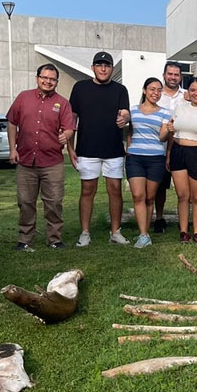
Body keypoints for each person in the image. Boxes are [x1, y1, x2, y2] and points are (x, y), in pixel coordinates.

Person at [6, 64, 76, 250]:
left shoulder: (62, 103)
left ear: (56, 82)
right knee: (26, 202)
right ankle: (25, 240)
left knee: (53, 202)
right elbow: (12, 123)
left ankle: (55, 239)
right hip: (26, 160)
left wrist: (67, 135)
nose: (48, 81)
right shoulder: (23, 98)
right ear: (37, 78)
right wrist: (12, 149)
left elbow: (69, 127)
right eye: (44, 77)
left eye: (52, 79)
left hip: (52, 162)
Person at [68, 51, 131, 246]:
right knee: (88, 190)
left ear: (112, 68)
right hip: (87, 149)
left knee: (115, 190)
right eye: (99, 65)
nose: (103, 68)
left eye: (107, 65)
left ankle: (115, 232)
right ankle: (85, 233)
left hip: (113, 149)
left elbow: (126, 113)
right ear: (93, 67)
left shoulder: (120, 90)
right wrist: (70, 148)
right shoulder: (80, 88)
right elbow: (71, 120)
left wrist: (125, 119)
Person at [162, 76, 197, 242]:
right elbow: (173, 133)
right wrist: (169, 153)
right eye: (192, 90)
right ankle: (183, 231)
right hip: (179, 152)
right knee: (182, 195)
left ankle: (196, 232)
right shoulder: (180, 108)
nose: (196, 93)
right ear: (188, 92)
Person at [125, 77, 173, 248]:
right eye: (152, 89)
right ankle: (143, 234)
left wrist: (168, 131)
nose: (156, 93)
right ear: (144, 90)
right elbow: (129, 132)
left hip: (155, 159)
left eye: (159, 90)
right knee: (138, 195)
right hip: (135, 158)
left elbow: (162, 137)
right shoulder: (133, 111)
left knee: (150, 198)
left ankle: (145, 234)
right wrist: (128, 150)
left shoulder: (165, 113)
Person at [154, 61, 187, 232]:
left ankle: (186, 218)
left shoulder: (186, 95)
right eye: (170, 74)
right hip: (161, 143)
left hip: (183, 144)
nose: (173, 77)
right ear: (164, 75)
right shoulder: (157, 94)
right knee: (160, 185)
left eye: (176, 74)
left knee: (185, 186)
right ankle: (159, 218)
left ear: (180, 76)